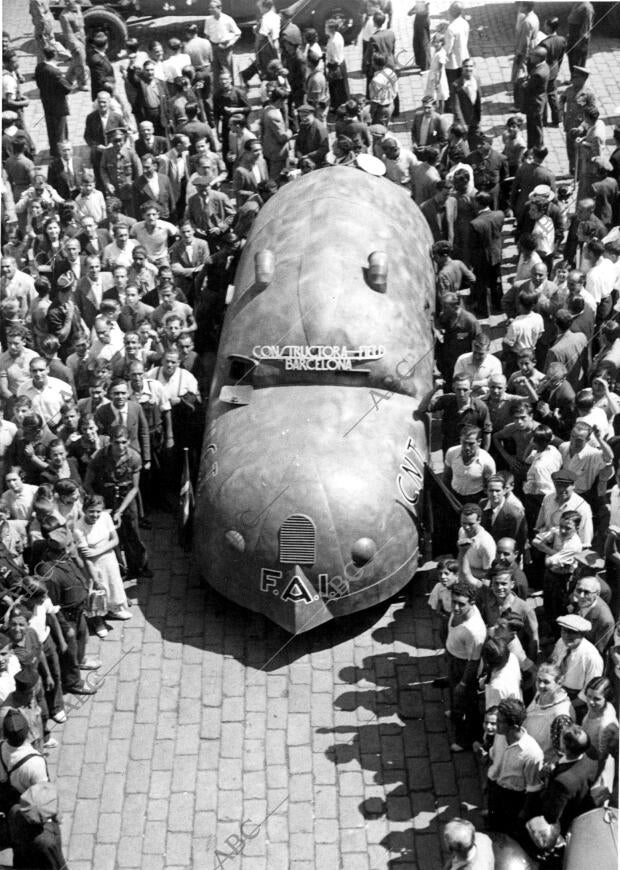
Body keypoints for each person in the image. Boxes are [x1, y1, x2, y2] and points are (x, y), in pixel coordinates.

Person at [84, 423, 150, 581]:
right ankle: (119, 570)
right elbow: (87, 483)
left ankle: (139, 567)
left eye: (124, 442)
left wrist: (120, 511)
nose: (120, 446)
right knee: (111, 536)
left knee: (133, 534)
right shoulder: (99, 457)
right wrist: (98, 506)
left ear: (129, 441)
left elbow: (135, 488)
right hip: (106, 500)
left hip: (127, 500)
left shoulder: (134, 457)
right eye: (116, 442)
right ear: (110, 442)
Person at [486, 697, 543, 840]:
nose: (495, 724)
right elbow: (495, 755)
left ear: (515, 726)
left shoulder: (532, 753)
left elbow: (533, 788)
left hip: (512, 798)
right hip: (495, 787)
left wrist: (523, 814)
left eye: (500, 721)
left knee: (508, 832)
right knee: (493, 820)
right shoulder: (500, 735)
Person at [445, 581, 487, 752]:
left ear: (472, 603)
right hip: (454, 659)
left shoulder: (473, 631)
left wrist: (463, 683)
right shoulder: (460, 611)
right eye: (453, 601)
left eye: (461, 604)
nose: (455, 607)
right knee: (454, 694)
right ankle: (455, 712)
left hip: (464, 667)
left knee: (468, 704)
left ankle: (466, 740)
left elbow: (474, 661)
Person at [538, 723, 597, 833]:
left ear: (564, 747)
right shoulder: (589, 760)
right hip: (580, 809)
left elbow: (551, 816)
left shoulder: (562, 783)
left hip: (566, 824)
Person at [549, 614, 604, 706]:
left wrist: (567, 705)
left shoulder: (592, 657)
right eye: (564, 631)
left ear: (582, 634)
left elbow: (590, 692)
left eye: (572, 632)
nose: (566, 636)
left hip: (575, 700)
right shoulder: (561, 642)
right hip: (555, 689)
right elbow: (553, 662)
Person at [524, 663, 574, 761]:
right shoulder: (540, 694)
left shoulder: (562, 715)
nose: (541, 685)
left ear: (559, 683)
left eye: (546, 682)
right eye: (539, 680)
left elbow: (563, 752)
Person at [33, 48, 72, 159]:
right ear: (55, 55)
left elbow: (39, 84)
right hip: (58, 105)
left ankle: (54, 151)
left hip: (47, 103)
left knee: (51, 129)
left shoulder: (39, 67)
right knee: (60, 131)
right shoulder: (55, 72)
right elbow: (66, 88)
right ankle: (61, 154)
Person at [204, 0, 241, 79]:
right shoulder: (208, 20)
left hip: (225, 49)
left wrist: (229, 43)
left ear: (219, 8)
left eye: (212, 8)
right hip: (213, 48)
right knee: (215, 71)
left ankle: (230, 86)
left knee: (227, 71)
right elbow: (207, 35)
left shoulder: (227, 19)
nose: (210, 9)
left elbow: (238, 33)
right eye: (209, 8)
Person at [450, 58, 481, 148]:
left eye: (471, 66)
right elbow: (456, 106)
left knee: (475, 143)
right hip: (463, 121)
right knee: (462, 146)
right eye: (466, 66)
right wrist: (462, 123)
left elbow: (478, 98)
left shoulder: (476, 79)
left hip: (475, 119)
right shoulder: (456, 85)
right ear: (462, 68)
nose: (468, 68)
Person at [59, 0, 87, 91]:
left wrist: (84, 39)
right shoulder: (64, 16)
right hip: (75, 42)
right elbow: (68, 34)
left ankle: (67, 80)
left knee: (76, 61)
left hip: (82, 38)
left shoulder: (78, 8)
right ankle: (82, 83)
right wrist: (76, 46)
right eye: (66, 1)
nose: (68, 2)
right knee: (80, 63)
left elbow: (82, 25)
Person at [566, 1, 594, 73]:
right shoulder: (577, 4)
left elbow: (586, 27)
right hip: (572, 37)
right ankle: (572, 76)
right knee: (571, 59)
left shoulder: (586, 8)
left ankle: (576, 78)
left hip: (579, 40)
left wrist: (579, 42)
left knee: (577, 63)